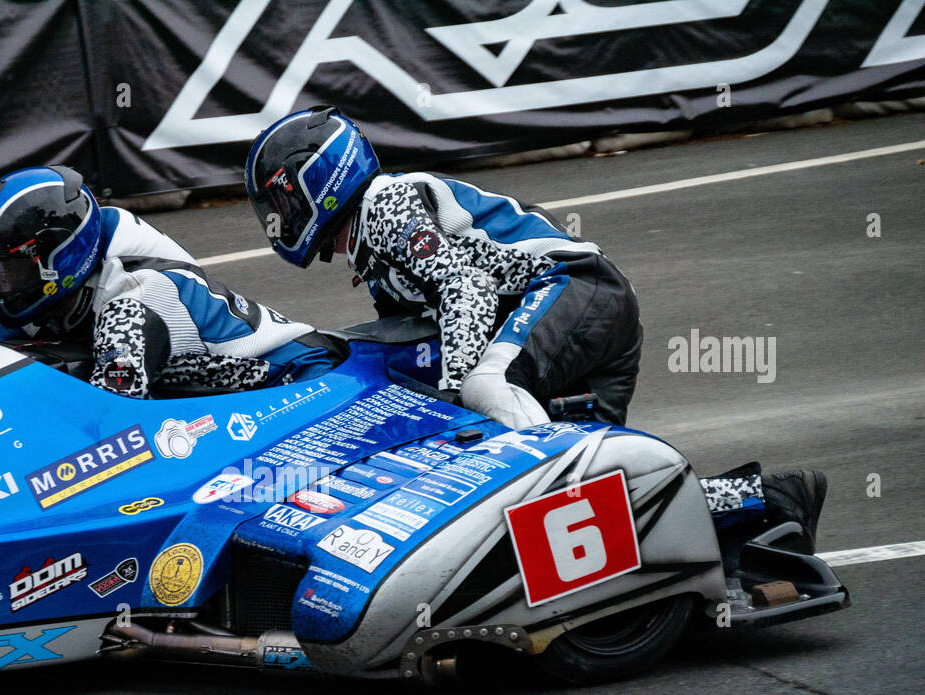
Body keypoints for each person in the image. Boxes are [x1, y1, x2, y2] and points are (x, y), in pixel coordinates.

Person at [244, 107, 827, 552]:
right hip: (573, 318)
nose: (278, 221)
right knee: (598, 494)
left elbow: (465, 293)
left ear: (319, 176)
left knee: (482, 394)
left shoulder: (388, 204)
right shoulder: (373, 259)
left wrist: (456, 409)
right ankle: (771, 501)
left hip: (574, 289)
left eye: (280, 200)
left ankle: (521, 468)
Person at [0, 164, 334, 397]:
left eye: (10, 271)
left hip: (299, 381)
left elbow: (112, 415)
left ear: (60, 258)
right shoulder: (34, 304)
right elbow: (5, 378)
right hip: (205, 393)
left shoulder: (134, 294)